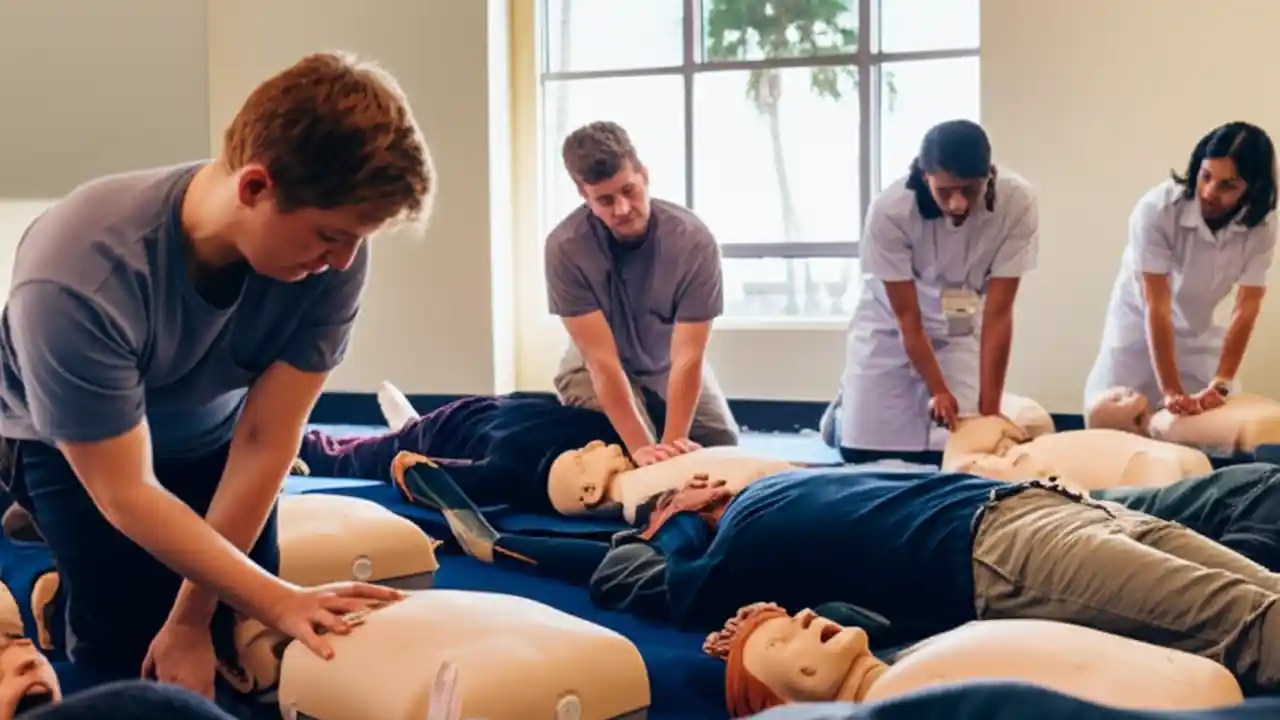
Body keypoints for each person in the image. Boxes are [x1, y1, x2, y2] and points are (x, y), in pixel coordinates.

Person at [0, 52, 433, 695]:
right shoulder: (78, 273)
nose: (343, 262)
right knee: (129, 656)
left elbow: (266, 437)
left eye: (357, 240)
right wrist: (243, 603)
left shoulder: (334, 258)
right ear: (255, 187)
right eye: (329, 236)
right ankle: (66, 590)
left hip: (214, 431)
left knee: (239, 635)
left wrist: (196, 615)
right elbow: (127, 492)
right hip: (72, 450)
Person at [394, 457, 1280, 694]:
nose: (699, 478)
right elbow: (617, 575)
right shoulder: (723, 560)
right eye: (682, 492)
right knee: (1250, 629)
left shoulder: (778, 482)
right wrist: (660, 528)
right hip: (1001, 555)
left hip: (1050, 504)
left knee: (1262, 602)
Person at [832, 119, 1038, 464]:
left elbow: (999, 314)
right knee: (863, 452)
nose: (957, 204)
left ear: (989, 174)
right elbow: (908, 319)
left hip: (958, 327)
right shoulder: (890, 210)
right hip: (891, 330)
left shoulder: (1017, 202)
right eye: (945, 192)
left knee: (958, 453)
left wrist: (990, 413)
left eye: (969, 191)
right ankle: (840, 414)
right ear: (924, 175)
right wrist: (939, 390)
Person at [544, 120, 739, 465]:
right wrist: (643, 450)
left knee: (720, 444)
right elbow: (601, 361)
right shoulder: (565, 249)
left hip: (668, 363)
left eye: (629, 191)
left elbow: (688, 357)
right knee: (634, 454)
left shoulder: (693, 242)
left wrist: (675, 445)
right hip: (591, 370)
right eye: (604, 200)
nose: (621, 209)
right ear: (583, 196)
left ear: (644, 175)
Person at [1084, 122, 1278, 417]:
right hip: (1138, 327)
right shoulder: (1157, 210)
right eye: (1206, 176)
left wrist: (1222, 383)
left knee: (1215, 422)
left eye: (1228, 185)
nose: (1210, 192)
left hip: (1198, 333)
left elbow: (1246, 307)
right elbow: (1156, 305)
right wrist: (1171, 390)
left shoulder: (1261, 225)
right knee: (1111, 418)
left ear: (1253, 190)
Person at [297, 384, 622, 513]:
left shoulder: (504, 474)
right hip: (455, 421)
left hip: (445, 430)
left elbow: (417, 470)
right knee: (348, 457)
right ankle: (405, 424)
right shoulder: (606, 430)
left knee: (367, 454)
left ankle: (405, 425)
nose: (618, 454)